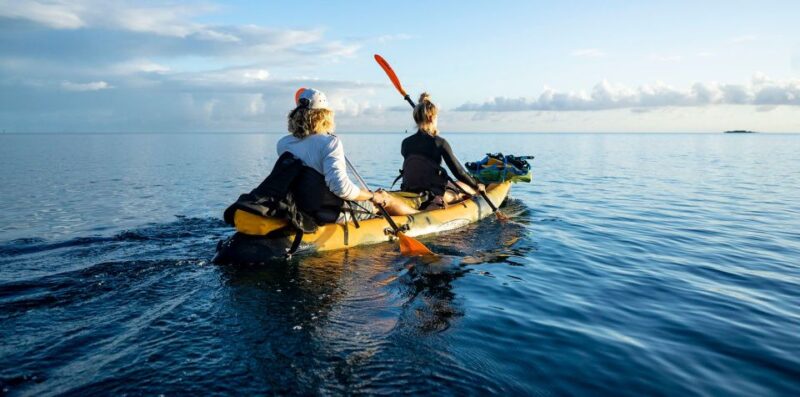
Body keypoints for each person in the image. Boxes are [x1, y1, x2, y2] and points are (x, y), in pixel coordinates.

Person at [278, 88, 414, 222]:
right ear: (324, 115)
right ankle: (420, 215)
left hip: (301, 206)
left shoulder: (283, 144)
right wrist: (372, 195)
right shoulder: (330, 143)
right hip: (330, 211)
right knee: (385, 199)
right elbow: (341, 188)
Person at [398, 92, 485, 209]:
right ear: (431, 118)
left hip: (409, 191)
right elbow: (459, 173)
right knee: (467, 189)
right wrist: (476, 185)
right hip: (432, 196)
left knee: (455, 184)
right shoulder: (440, 142)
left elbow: (418, 168)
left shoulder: (406, 143)